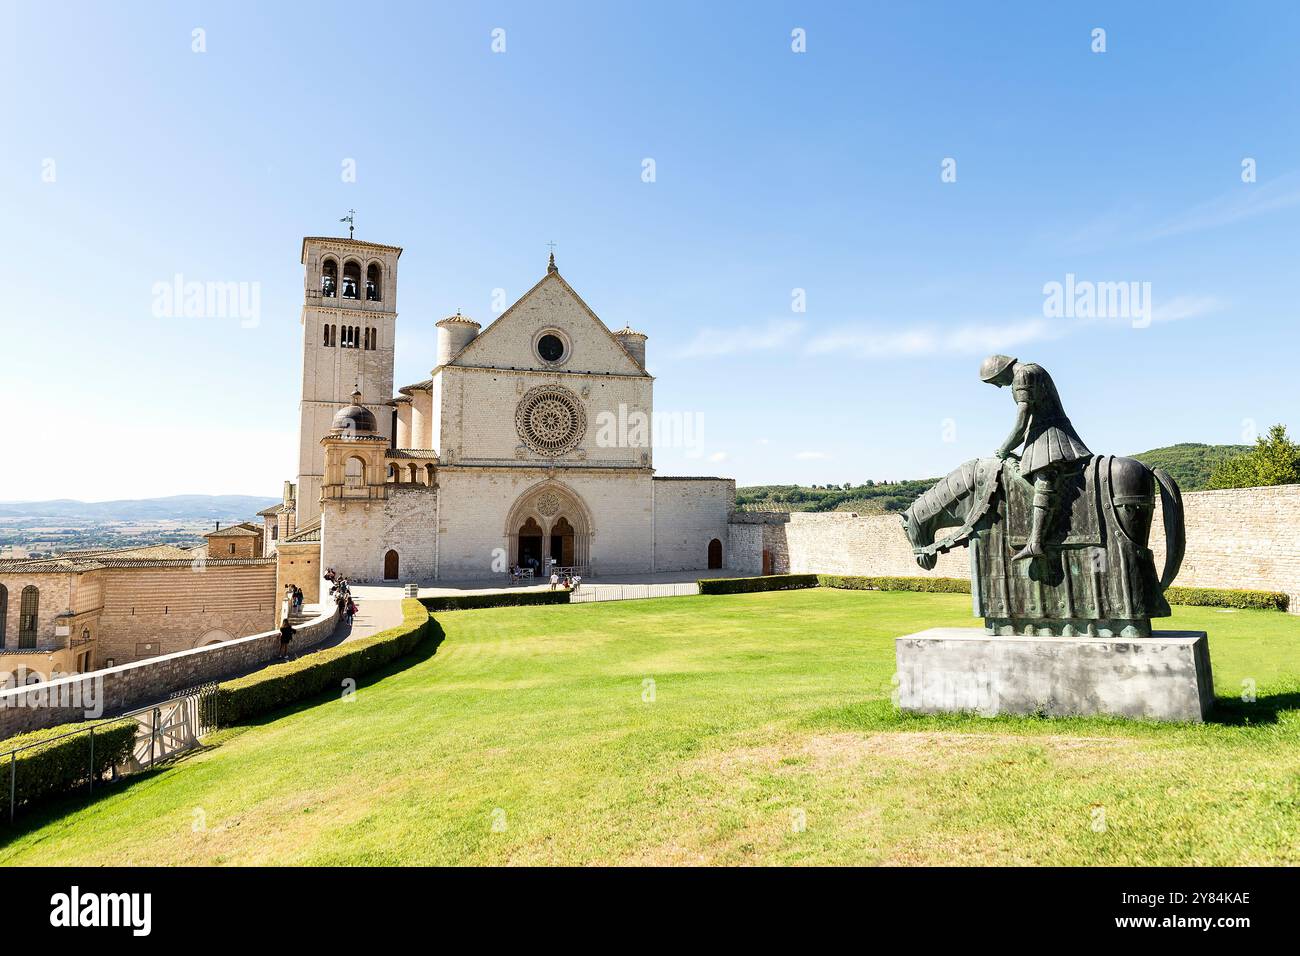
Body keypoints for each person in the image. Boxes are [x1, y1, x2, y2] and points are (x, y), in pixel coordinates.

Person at [980, 354, 1091, 561]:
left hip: (1050, 434)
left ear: (1000, 370)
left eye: (994, 381)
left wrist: (1004, 448)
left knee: (1043, 477)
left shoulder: (1023, 375)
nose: (997, 387)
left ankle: (1036, 542)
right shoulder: (1028, 371)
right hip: (1040, 432)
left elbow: (1022, 422)